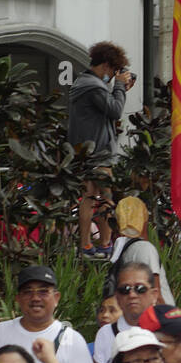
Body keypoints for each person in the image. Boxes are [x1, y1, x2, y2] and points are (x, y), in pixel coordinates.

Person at [0, 264, 99, 363]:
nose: (35, 298)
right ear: (17, 298)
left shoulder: (72, 340)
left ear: (56, 298)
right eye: (28, 292)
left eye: (43, 292)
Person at [68, 40, 132, 252]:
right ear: (105, 65)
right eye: (114, 70)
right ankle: (105, 243)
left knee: (88, 196)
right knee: (105, 197)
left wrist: (118, 88)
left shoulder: (85, 83)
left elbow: (106, 109)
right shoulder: (93, 87)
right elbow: (115, 110)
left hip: (87, 151)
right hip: (99, 152)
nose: (114, 75)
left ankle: (86, 243)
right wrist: (120, 87)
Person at [93, 262, 158, 363]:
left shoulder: (168, 330)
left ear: (154, 295)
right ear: (117, 296)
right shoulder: (105, 333)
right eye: (125, 289)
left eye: (140, 289)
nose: (132, 295)